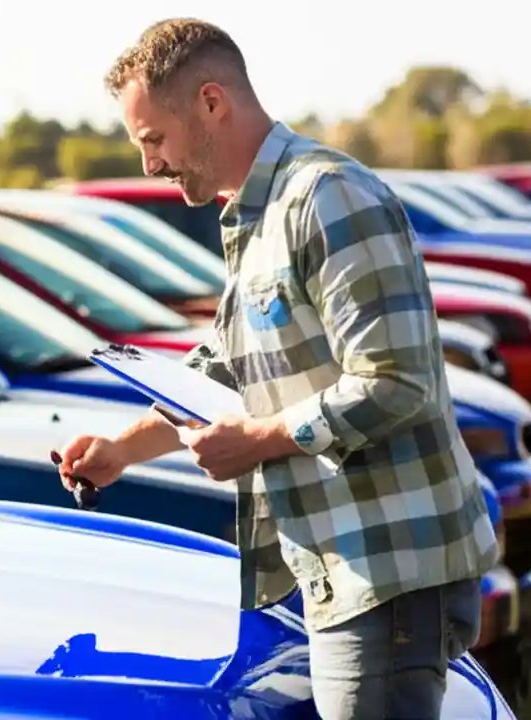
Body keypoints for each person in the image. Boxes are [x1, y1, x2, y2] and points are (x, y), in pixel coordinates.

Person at [56, 18, 499, 720]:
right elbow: (231, 368)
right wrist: (123, 450)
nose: (150, 165)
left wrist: (258, 441)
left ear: (211, 103)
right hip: (346, 571)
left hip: (387, 576)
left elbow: (396, 382)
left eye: (153, 140)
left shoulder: (328, 197)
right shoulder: (257, 216)